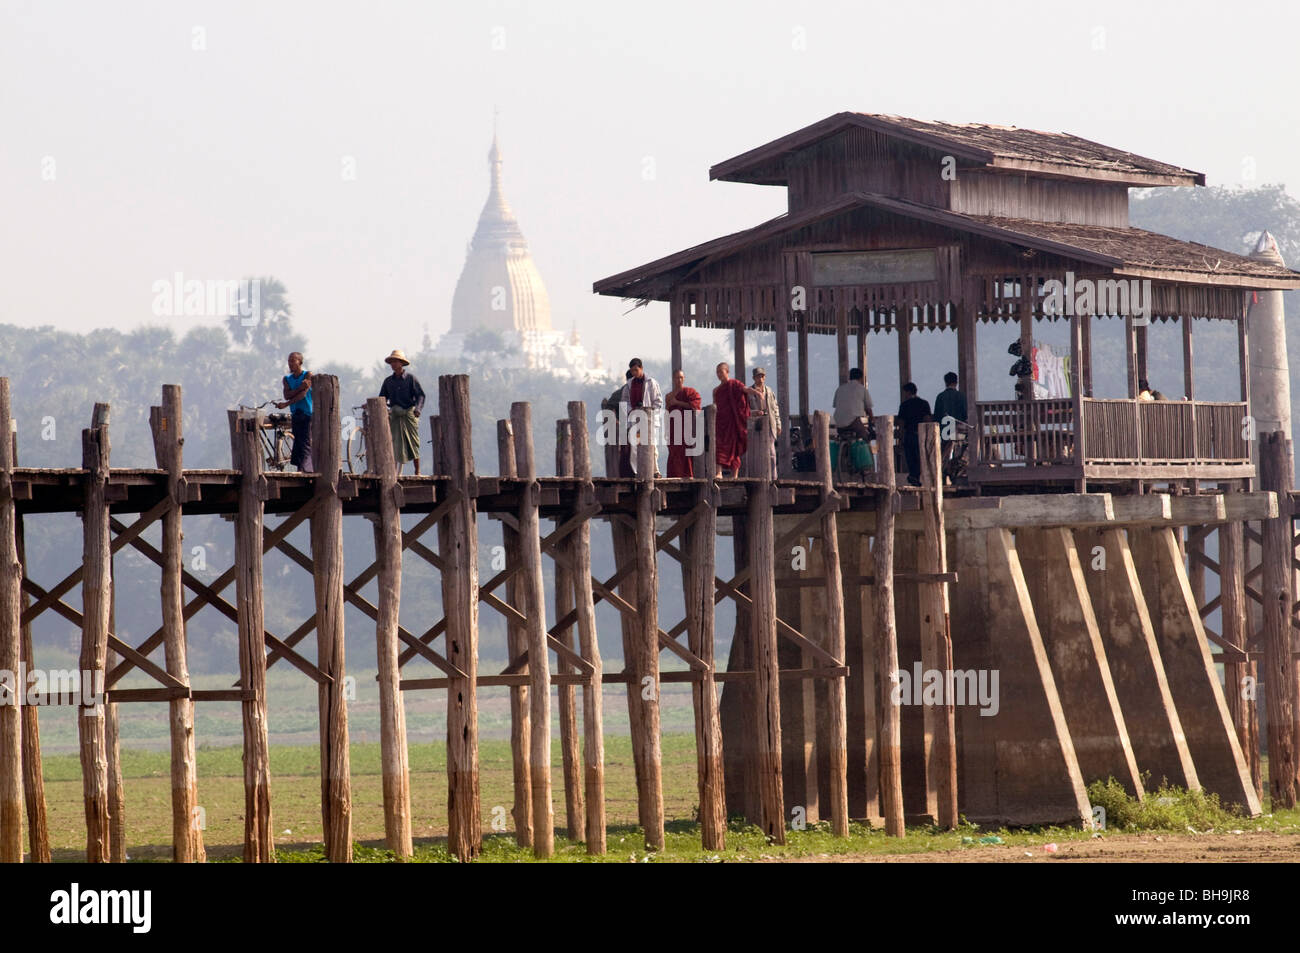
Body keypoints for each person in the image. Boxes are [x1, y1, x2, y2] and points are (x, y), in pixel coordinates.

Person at [379, 349, 426, 475]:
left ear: (401, 363)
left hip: (408, 414)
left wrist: (418, 409)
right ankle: (392, 471)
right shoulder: (388, 381)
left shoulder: (410, 379)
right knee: (392, 442)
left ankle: (417, 470)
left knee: (413, 442)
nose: (393, 364)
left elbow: (421, 396)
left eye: (395, 361)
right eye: (391, 362)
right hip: (394, 414)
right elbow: (382, 398)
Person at [619, 358, 662, 478]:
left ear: (641, 368)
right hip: (635, 420)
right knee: (635, 446)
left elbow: (658, 401)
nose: (634, 373)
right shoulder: (629, 385)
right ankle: (636, 471)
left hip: (649, 420)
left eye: (636, 370)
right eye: (632, 371)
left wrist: (648, 411)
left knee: (652, 445)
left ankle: (655, 471)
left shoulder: (651, 382)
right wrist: (632, 411)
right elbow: (624, 402)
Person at [712, 362, 754, 477]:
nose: (719, 374)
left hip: (733, 422)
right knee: (719, 446)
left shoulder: (734, 384)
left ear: (727, 372)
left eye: (721, 371)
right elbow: (714, 406)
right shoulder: (716, 390)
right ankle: (719, 472)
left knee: (734, 449)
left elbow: (745, 389)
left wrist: (755, 391)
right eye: (717, 372)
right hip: (721, 422)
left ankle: (734, 475)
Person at [275, 351, 313, 472]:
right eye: (289, 361)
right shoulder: (287, 379)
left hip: (307, 413)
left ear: (300, 362)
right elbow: (287, 395)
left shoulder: (308, 375)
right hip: (295, 413)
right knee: (298, 441)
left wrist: (286, 403)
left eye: (293, 361)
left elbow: (302, 395)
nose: (290, 364)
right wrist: (300, 388)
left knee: (306, 441)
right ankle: (301, 468)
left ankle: (307, 469)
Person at [665, 368, 702, 478]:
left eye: (681, 377)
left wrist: (677, 402)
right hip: (673, 428)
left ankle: (688, 475)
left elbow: (695, 406)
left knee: (687, 452)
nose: (679, 380)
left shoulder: (689, 392)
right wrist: (666, 431)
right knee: (674, 452)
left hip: (686, 427)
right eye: (677, 378)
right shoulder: (669, 396)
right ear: (673, 379)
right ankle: (674, 475)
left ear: (684, 378)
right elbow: (667, 413)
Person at [747, 367, 781, 479]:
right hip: (755, 427)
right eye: (758, 376)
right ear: (753, 378)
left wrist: (778, 424)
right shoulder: (749, 392)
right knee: (756, 454)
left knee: (771, 454)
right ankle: (758, 478)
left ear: (765, 377)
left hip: (770, 425)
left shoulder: (769, 391)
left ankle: (773, 479)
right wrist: (755, 413)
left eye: (762, 376)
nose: (760, 378)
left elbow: (775, 408)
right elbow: (745, 410)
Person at [898, 381, 932, 487]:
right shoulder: (924, 403)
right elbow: (928, 419)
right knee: (921, 457)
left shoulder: (904, 405)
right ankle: (921, 477)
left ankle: (914, 476)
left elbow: (901, 424)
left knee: (911, 458)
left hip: (909, 434)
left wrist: (900, 438)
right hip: (920, 434)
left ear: (907, 392)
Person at [933, 370, 967, 467]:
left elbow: (937, 416)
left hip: (945, 429)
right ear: (956, 382)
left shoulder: (940, 397)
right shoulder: (962, 396)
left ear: (945, 382)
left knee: (945, 453)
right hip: (959, 430)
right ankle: (956, 471)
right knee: (959, 453)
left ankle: (944, 471)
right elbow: (966, 414)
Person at [832, 368, 873, 442]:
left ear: (850, 377)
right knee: (865, 437)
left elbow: (835, 405)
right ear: (861, 378)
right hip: (853, 422)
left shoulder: (840, 389)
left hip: (838, 423)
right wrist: (872, 419)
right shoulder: (862, 389)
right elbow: (868, 408)